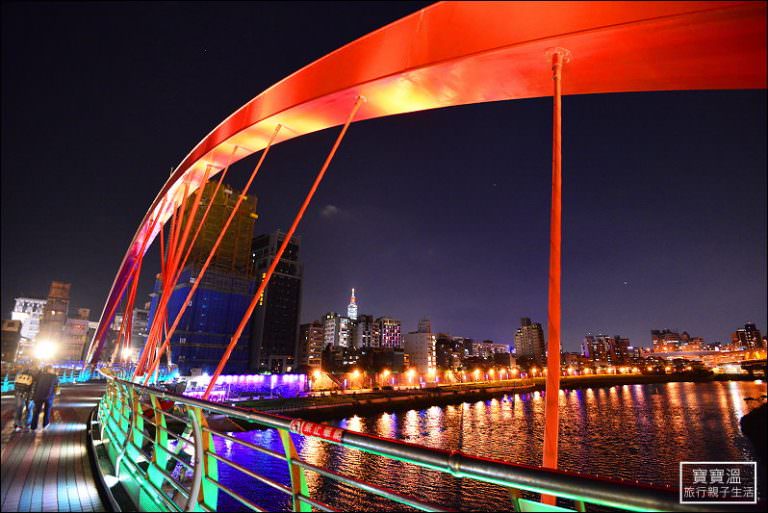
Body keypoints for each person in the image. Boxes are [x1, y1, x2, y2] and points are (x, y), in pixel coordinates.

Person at [30, 365, 58, 431]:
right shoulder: (54, 377)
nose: (53, 370)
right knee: (47, 411)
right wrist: (54, 394)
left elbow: (35, 382)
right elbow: (56, 388)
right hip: (49, 397)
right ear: (49, 369)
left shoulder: (40, 375)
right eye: (52, 369)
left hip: (38, 396)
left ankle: (33, 426)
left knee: (36, 412)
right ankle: (45, 424)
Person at [13, 366, 36, 432]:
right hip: (28, 395)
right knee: (29, 409)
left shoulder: (19, 376)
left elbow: (15, 386)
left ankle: (17, 425)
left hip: (18, 394)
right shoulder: (32, 377)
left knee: (18, 409)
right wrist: (31, 398)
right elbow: (32, 389)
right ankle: (28, 424)